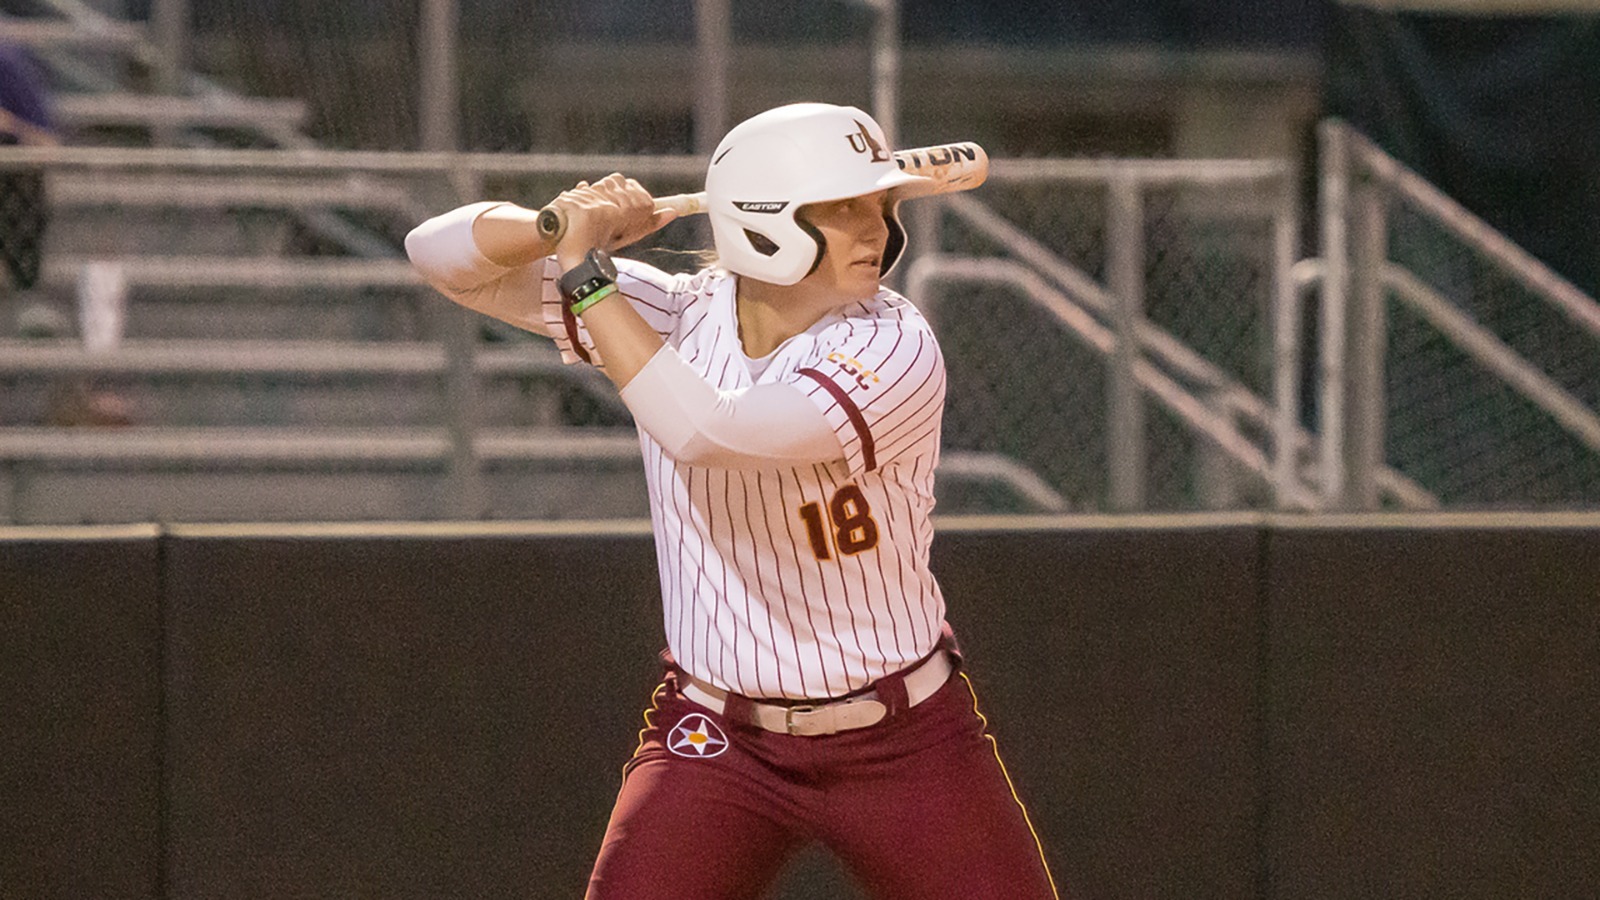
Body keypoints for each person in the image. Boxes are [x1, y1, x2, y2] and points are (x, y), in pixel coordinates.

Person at [406, 102, 1061, 899]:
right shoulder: (676, 315)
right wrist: (554, 227)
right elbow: (436, 253)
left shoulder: (894, 343)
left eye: (879, 206)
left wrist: (586, 274)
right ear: (765, 224)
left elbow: (706, 432)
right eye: (841, 207)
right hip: (717, 737)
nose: (874, 230)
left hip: (902, 736)